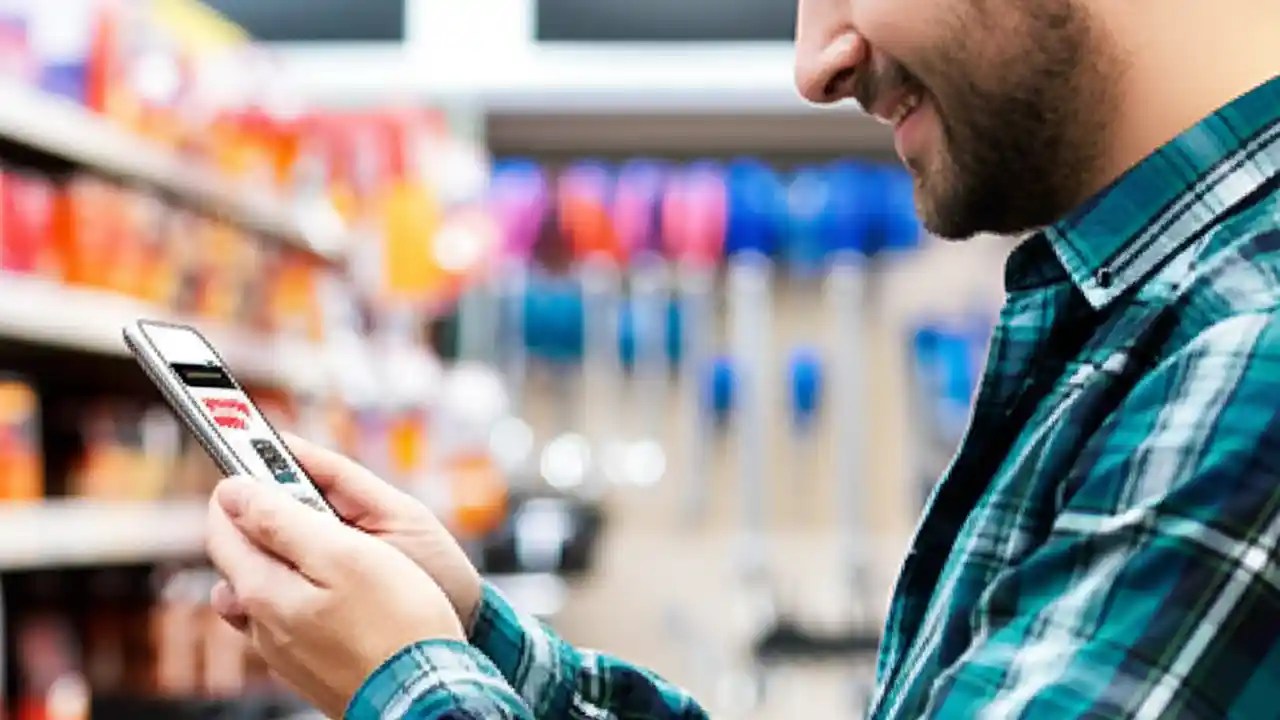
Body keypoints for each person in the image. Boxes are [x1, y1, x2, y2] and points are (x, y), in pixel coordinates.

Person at [205, 0, 1280, 715]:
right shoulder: (1151, 327)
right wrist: (470, 640)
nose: (814, 64)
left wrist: (405, 680)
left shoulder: (1247, 351)